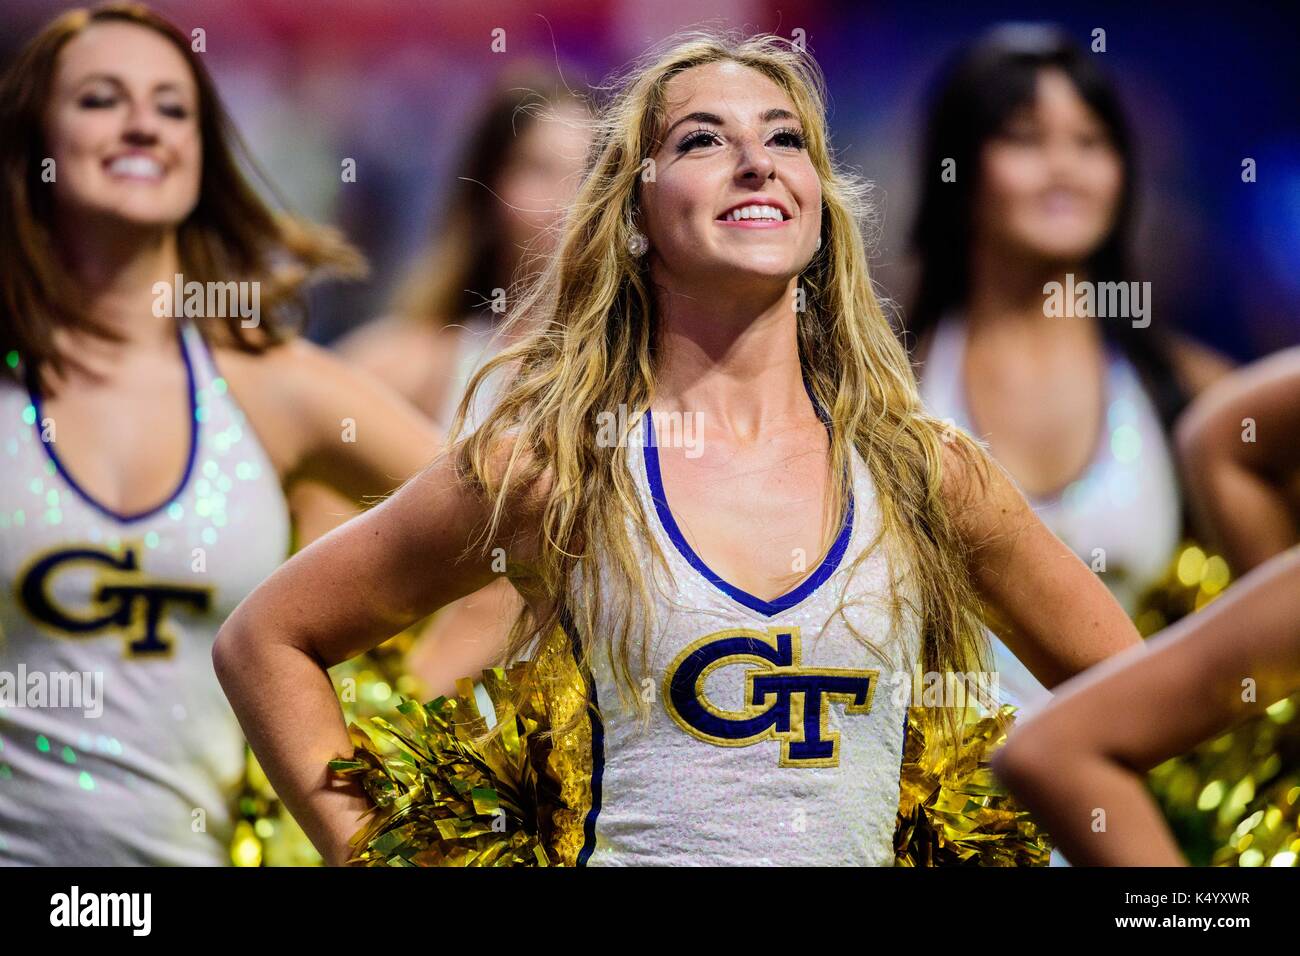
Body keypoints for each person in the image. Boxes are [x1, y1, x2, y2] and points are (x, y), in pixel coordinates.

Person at [214, 32, 1142, 867]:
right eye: (702, 140)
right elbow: (267, 641)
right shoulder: (555, 467)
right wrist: (380, 856)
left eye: (786, 140)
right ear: (633, 215)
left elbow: (1137, 693)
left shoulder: (924, 473)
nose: (756, 163)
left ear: (820, 208)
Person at [0, 3, 438, 865]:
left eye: (173, 107)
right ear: (32, 146)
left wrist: (401, 743)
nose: (141, 124)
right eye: (100, 99)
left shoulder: (275, 389)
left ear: (202, 156)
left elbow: (511, 523)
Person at [905, 24, 1233, 713]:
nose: (1065, 168)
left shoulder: (1191, 391)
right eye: (1025, 138)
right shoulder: (885, 385)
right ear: (957, 168)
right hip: (926, 808)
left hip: (1140, 800)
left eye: (1090, 142)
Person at [288, 72, 592, 697]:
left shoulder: (647, 371)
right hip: (432, 724)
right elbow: (311, 541)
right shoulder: (411, 358)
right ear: (487, 190)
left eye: (589, 171)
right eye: (539, 168)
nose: (568, 197)